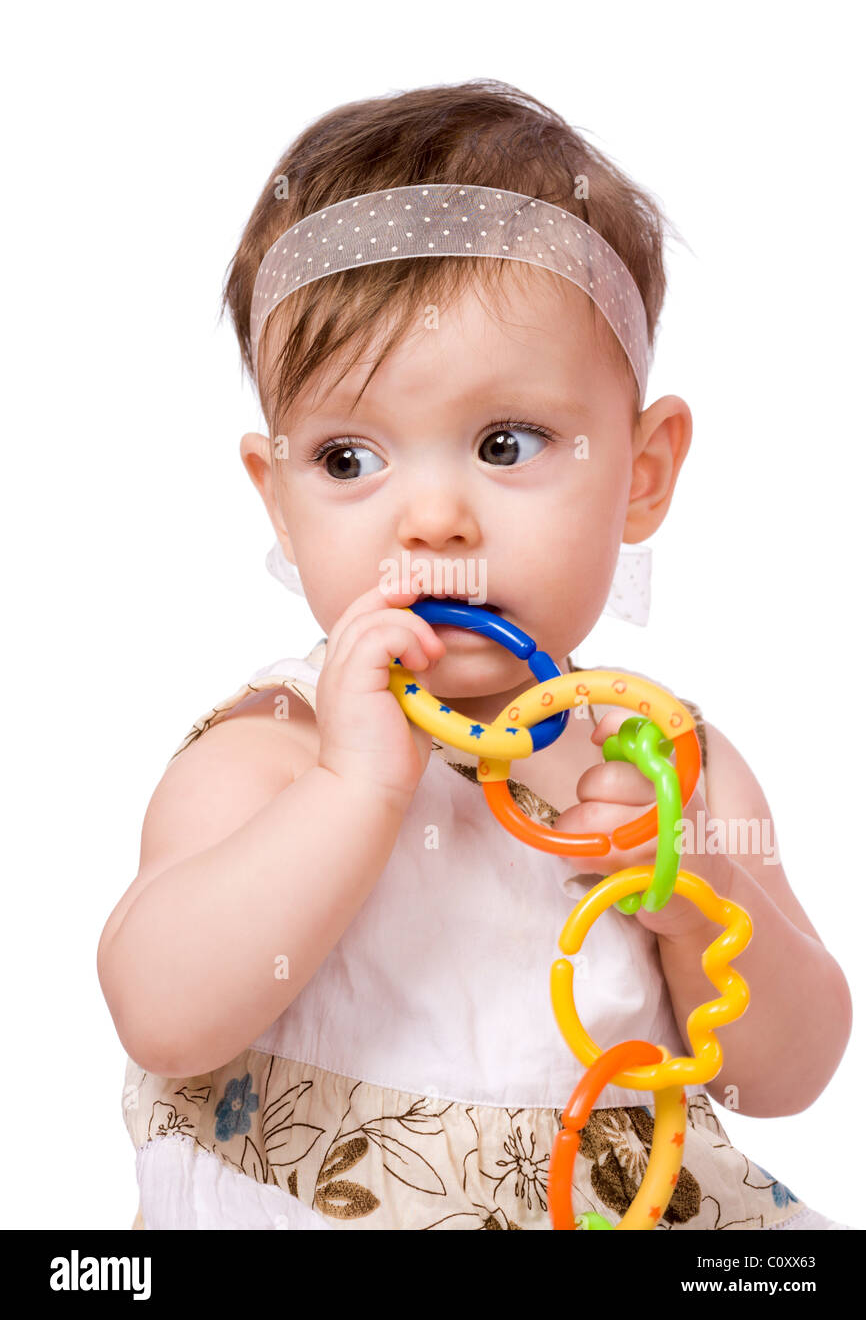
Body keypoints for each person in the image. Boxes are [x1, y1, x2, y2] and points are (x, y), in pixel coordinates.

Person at [97, 79, 852, 1231]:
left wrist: (697, 889)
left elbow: (783, 1073)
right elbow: (160, 1012)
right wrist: (355, 789)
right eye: (349, 459)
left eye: (508, 443)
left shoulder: (664, 764)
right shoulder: (270, 751)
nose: (433, 516)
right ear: (280, 500)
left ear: (639, 473)